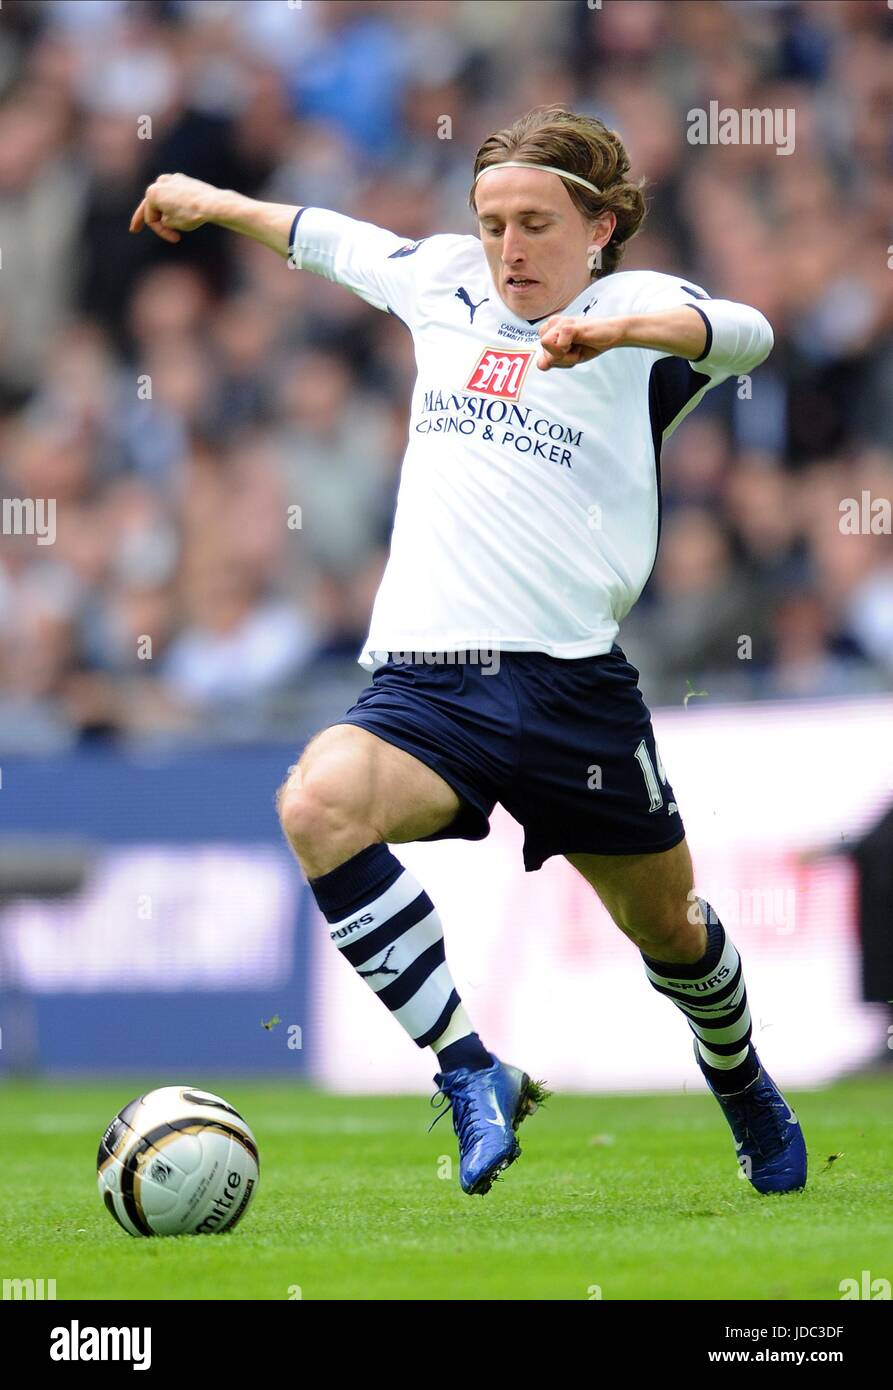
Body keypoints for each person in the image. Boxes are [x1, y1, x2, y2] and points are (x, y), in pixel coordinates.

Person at [130, 105, 807, 1198]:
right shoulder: (441, 279)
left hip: (570, 692)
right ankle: (468, 1068)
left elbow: (744, 331)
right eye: (493, 222)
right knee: (316, 805)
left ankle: (740, 1084)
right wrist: (210, 204)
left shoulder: (632, 308)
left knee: (668, 930)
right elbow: (328, 237)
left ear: (599, 225)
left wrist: (615, 335)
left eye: (535, 222)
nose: (508, 247)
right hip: (424, 685)